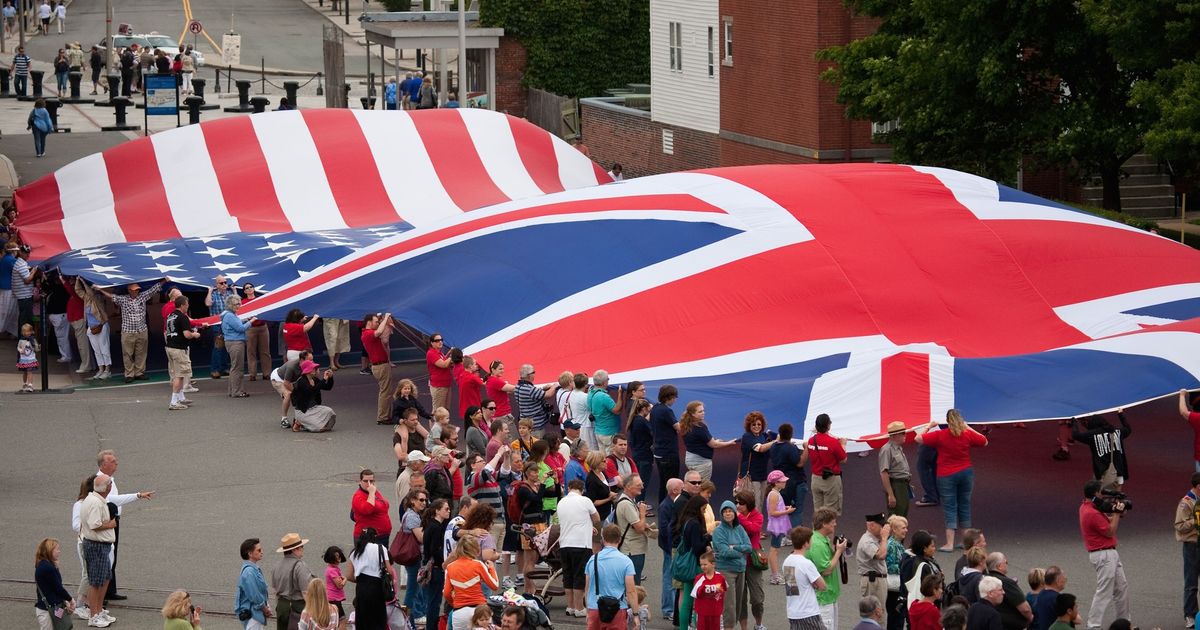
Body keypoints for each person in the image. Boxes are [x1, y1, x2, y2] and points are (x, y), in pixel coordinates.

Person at [915, 409, 988, 551]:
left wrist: (929, 426)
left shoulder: (941, 435)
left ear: (947, 421)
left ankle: (949, 543)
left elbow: (918, 438)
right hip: (966, 472)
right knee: (964, 505)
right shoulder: (967, 434)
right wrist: (968, 427)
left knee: (950, 507)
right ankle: (967, 542)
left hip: (946, 474)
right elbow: (984, 441)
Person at [95, 450, 154, 602]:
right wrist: (137, 495)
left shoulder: (110, 479)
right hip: (107, 522)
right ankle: (102, 593)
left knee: (112, 556)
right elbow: (112, 499)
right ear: (103, 464)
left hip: (113, 520)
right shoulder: (100, 480)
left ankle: (109, 590)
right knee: (107, 557)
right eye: (113, 461)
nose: (117, 463)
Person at [1079, 479, 1131, 629]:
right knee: (1104, 593)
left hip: (1108, 553)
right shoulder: (1091, 512)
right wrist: (1116, 513)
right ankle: (1093, 626)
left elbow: (1106, 520)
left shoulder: (1086, 507)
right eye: (1101, 491)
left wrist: (1117, 513)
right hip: (1104, 555)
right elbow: (1110, 531)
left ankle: (1124, 623)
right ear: (1095, 493)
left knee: (1122, 588)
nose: (1103, 494)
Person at [585, 523, 641, 630]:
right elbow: (631, 591)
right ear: (619, 539)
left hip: (595, 608)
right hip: (617, 609)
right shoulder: (626, 562)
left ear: (602, 539)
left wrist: (588, 610)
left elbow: (587, 589)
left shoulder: (593, 560)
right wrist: (635, 614)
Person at [80, 474, 118, 628]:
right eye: (109, 484)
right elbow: (95, 524)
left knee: (105, 578)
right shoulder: (95, 503)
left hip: (100, 545)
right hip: (96, 546)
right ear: (106, 488)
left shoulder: (95, 499)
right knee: (96, 581)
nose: (111, 487)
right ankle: (93, 615)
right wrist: (110, 524)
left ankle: (99, 610)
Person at [444, 535, 500, 630]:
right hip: (479, 611)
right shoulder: (478, 565)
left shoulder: (450, 567)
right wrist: (492, 569)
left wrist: (454, 604)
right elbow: (495, 586)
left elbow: (446, 593)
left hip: (459, 612)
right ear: (475, 549)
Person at [806, 508, 848, 630]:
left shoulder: (821, 539)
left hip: (828, 595)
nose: (835, 524)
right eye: (833, 522)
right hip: (823, 598)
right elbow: (826, 570)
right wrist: (839, 552)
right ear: (824, 524)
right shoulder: (818, 544)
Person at [712, 500, 751, 630]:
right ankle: (728, 627)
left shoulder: (740, 529)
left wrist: (734, 547)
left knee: (739, 603)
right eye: (725, 511)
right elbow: (724, 552)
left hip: (741, 569)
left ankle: (732, 625)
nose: (728, 514)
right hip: (726, 570)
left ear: (735, 513)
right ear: (721, 514)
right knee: (729, 604)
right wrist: (740, 551)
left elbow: (749, 547)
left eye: (730, 511)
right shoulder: (719, 531)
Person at [347, 527, 395, 630]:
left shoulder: (355, 551)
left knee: (363, 619)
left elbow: (349, 576)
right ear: (374, 537)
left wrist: (360, 580)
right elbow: (390, 570)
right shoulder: (380, 548)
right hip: (376, 587)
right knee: (378, 618)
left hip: (361, 587)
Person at [1071, 412, 1132, 491]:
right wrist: (1120, 414)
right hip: (1119, 473)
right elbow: (1128, 428)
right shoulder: (1117, 432)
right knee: (1116, 499)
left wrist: (1074, 421)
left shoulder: (1092, 436)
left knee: (1102, 499)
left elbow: (1076, 435)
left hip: (1103, 474)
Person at [675, 494, 710, 630]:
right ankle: (698, 627)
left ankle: (683, 627)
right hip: (695, 566)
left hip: (686, 565)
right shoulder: (695, 524)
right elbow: (697, 547)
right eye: (703, 509)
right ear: (697, 508)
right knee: (698, 602)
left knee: (686, 602)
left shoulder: (686, 521)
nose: (704, 511)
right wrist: (707, 539)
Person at [783, 526, 828, 630]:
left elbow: (792, 588)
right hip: (808, 612)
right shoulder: (806, 563)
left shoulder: (787, 561)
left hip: (793, 612)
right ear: (806, 543)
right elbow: (823, 586)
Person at [679, 401, 738, 481]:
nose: (703, 413)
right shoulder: (700, 427)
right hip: (701, 462)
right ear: (693, 414)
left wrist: (716, 441)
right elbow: (714, 445)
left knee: (694, 485)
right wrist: (729, 443)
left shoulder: (686, 425)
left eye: (703, 410)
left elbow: (700, 441)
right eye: (700, 411)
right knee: (702, 487)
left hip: (690, 459)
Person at [165, 295, 202, 410]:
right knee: (179, 375)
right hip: (179, 349)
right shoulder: (183, 317)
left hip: (170, 347)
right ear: (182, 305)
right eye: (187, 304)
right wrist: (195, 334)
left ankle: (181, 397)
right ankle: (174, 401)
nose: (188, 306)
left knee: (177, 373)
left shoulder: (171, 315)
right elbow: (187, 334)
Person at [807, 414, 848, 516]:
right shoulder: (833, 442)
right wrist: (843, 444)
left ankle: (816, 531)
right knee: (830, 514)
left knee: (818, 513)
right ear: (828, 425)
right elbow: (843, 459)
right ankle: (828, 532)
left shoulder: (811, 441)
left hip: (816, 479)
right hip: (830, 480)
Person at [272, 533, 315, 630]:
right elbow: (305, 592)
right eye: (301, 546)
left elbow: (275, 590)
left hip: (281, 606)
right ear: (295, 549)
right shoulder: (300, 566)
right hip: (297, 607)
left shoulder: (276, 566)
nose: (303, 549)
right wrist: (312, 611)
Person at [421, 499, 452, 629]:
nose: (449, 511)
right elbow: (435, 549)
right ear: (437, 511)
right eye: (446, 509)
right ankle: (431, 627)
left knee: (433, 600)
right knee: (434, 602)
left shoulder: (432, 525)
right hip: (436, 569)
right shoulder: (436, 527)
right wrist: (445, 561)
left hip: (432, 567)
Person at [616, 474, 652, 583]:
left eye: (642, 484)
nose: (642, 487)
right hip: (632, 550)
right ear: (627, 486)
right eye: (638, 485)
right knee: (633, 584)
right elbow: (639, 528)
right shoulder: (626, 504)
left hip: (633, 548)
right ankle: (632, 600)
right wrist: (642, 513)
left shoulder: (629, 501)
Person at [983, 552, 1034, 630]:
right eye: (1006, 562)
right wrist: (1031, 617)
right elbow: (1024, 608)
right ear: (999, 566)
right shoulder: (1006, 582)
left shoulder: (985, 580)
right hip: (1010, 625)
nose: (1007, 564)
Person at [34, 538, 75, 630]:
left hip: (53, 607)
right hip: (48, 610)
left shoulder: (44, 565)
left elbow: (53, 588)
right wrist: (71, 600)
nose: (59, 551)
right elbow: (58, 588)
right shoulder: (48, 568)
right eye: (57, 549)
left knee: (62, 626)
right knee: (60, 627)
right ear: (49, 551)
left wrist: (64, 602)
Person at [739, 412, 776, 509]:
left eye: (759, 424)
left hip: (763, 476)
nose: (756, 426)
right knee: (754, 506)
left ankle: (756, 524)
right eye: (753, 424)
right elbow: (760, 448)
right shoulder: (747, 436)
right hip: (751, 477)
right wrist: (775, 441)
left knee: (760, 505)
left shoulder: (764, 435)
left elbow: (783, 437)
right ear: (749, 425)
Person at [362, 313, 395, 424]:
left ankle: (385, 415)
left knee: (386, 391)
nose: (378, 323)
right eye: (376, 322)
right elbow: (379, 332)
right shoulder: (368, 333)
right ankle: (383, 417)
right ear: (369, 322)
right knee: (385, 392)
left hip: (380, 365)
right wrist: (386, 318)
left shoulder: (367, 333)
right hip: (380, 365)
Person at [651, 385, 682, 502]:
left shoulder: (655, 408)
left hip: (658, 451)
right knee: (672, 483)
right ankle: (670, 507)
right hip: (668, 453)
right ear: (669, 397)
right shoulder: (666, 410)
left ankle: (662, 506)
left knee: (663, 483)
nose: (675, 400)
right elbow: (678, 427)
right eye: (674, 397)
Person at [856, 513, 891, 613]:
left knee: (880, 614)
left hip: (877, 580)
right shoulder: (867, 541)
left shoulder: (876, 539)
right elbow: (881, 555)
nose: (884, 529)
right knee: (875, 614)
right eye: (882, 526)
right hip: (873, 582)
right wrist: (884, 538)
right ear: (871, 525)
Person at [220, 294, 254, 396]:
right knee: (238, 368)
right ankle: (237, 391)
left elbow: (237, 324)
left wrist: (245, 320)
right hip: (235, 342)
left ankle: (233, 391)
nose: (238, 305)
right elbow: (241, 328)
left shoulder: (229, 314)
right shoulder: (230, 315)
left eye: (239, 303)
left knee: (235, 367)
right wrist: (251, 321)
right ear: (230, 304)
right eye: (236, 304)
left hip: (232, 342)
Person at [765, 470, 793, 584]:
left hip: (779, 525)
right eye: (782, 481)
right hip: (777, 526)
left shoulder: (776, 493)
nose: (784, 482)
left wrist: (784, 508)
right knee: (774, 550)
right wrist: (787, 511)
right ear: (776, 483)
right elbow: (772, 512)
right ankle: (775, 576)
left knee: (775, 549)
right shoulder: (774, 495)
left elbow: (775, 509)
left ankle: (775, 575)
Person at [235, 538, 271, 629]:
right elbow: (254, 594)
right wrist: (264, 608)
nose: (262, 552)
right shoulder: (249, 572)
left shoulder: (252, 569)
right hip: (253, 615)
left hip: (255, 614)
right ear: (250, 553)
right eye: (258, 550)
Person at [878, 421, 912, 516]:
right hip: (896, 485)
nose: (905, 435)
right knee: (896, 517)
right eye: (902, 433)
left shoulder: (897, 448)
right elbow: (884, 473)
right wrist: (891, 495)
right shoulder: (886, 450)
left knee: (903, 514)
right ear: (894, 436)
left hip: (903, 485)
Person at [291, 360, 336, 432]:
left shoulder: (314, 379)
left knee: (330, 412)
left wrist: (330, 378)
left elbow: (328, 387)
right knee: (317, 428)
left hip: (314, 407)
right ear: (308, 370)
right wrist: (324, 379)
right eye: (313, 368)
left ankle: (306, 423)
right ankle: (299, 422)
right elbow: (312, 391)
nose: (316, 369)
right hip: (303, 411)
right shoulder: (302, 381)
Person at [515, 363, 557, 436]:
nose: (534, 374)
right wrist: (555, 386)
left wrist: (542, 388)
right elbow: (548, 395)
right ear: (529, 375)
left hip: (527, 424)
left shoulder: (518, 387)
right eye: (533, 372)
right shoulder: (530, 389)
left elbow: (531, 393)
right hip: (536, 427)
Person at [1181, 474, 1200, 628]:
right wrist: (1196, 519)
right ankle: (1190, 615)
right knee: (1191, 582)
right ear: (1198, 486)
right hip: (1192, 545)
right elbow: (1179, 525)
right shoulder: (1186, 502)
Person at [589, 370, 626, 451]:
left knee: (603, 459)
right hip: (609, 433)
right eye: (608, 379)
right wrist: (620, 394)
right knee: (611, 459)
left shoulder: (590, 393)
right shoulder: (603, 396)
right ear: (604, 382)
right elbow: (617, 410)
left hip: (599, 431)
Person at [204, 276, 233, 378]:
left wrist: (234, 291)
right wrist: (209, 291)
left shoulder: (230, 294)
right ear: (217, 285)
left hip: (229, 324)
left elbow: (239, 304)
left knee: (226, 347)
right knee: (218, 347)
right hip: (218, 325)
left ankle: (224, 368)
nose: (224, 285)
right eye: (221, 283)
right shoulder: (214, 295)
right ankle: (215, 370)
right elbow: (208, 303)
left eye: (225, 282)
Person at [883, 515, 908, 630]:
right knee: (895, 617)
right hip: (894, 588)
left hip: (896, 586)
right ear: (894, 530)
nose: (906, 530)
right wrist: (905, 569)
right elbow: (890, 566)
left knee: (896, 618)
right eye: (903, 528)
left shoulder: (897, 544)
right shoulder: (892, 545)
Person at [585, 450, 618, 520]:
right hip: (601, 515)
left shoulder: (602, 472)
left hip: (609, 510)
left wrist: (610, 493)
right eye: (604, 461)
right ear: (597, 463)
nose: (607, 462)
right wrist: (609, 499)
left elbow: (606, 487)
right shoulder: (591, 480)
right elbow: (593, 502)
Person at [321, 547, 348, 629]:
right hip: (334, 599)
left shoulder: (332, 568)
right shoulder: (332, 570)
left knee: (334, 620)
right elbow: (339, 585)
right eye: (336, 557)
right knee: (342, 619)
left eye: (339, 556)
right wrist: (345, 579)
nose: (338, 559)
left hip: (332, 598)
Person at [15, 322, 39, 392]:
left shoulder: (33, 339)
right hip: (23, 359)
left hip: (31, 359)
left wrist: (33, 346)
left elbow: (36, 348)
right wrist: (20, 350)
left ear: (31, 331)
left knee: (29, 372)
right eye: (25, 331)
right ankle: (25, 383)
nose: (26, 333)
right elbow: (18, 347)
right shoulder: (21, 340)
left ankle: (30, 385)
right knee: (25, 372)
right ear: (22, 332)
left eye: (28, 331)